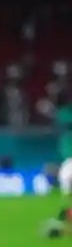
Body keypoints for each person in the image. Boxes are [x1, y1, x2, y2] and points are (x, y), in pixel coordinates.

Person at [42, 98, 72, 238]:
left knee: (68, 199)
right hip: (68, 166)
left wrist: (52, 112)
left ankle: (60, 226)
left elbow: (61, 118)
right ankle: (61, 226)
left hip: (69, 166)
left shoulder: (65, 121)